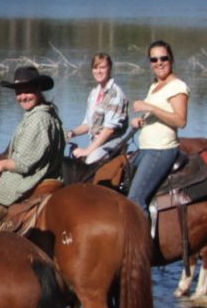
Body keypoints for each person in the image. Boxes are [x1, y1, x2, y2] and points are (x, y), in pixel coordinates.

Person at [0, 66, 66, 231]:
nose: (22, 97)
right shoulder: (48, 114)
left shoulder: (38, 119)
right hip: (47, 177)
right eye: (19, 92)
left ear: (39, 89)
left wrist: (2, 164)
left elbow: (23, 163)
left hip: (25, 183)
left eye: (28, 91)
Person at [127, 40, 188, 213]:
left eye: (163, 58)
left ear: (171, 59)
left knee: (135, 200)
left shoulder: (177, 86)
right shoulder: (155, 85)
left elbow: (181, 121)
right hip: (146, 148)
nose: (159, 63)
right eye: (154, 59)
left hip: (161, 149)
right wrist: (141, 121)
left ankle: (141, 231)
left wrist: (150, 107)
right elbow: (159, 115)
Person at [68, 53, 129, 164]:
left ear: (109, 68)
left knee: (91, 161)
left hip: (111, 142)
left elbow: (109, 130)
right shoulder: (94, 93)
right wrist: (72, 133)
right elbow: (88, 124)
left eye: (102, 67)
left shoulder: (115, 94)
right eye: (95, 68)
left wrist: (87, 151)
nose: (98, 71)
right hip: (96, 142)